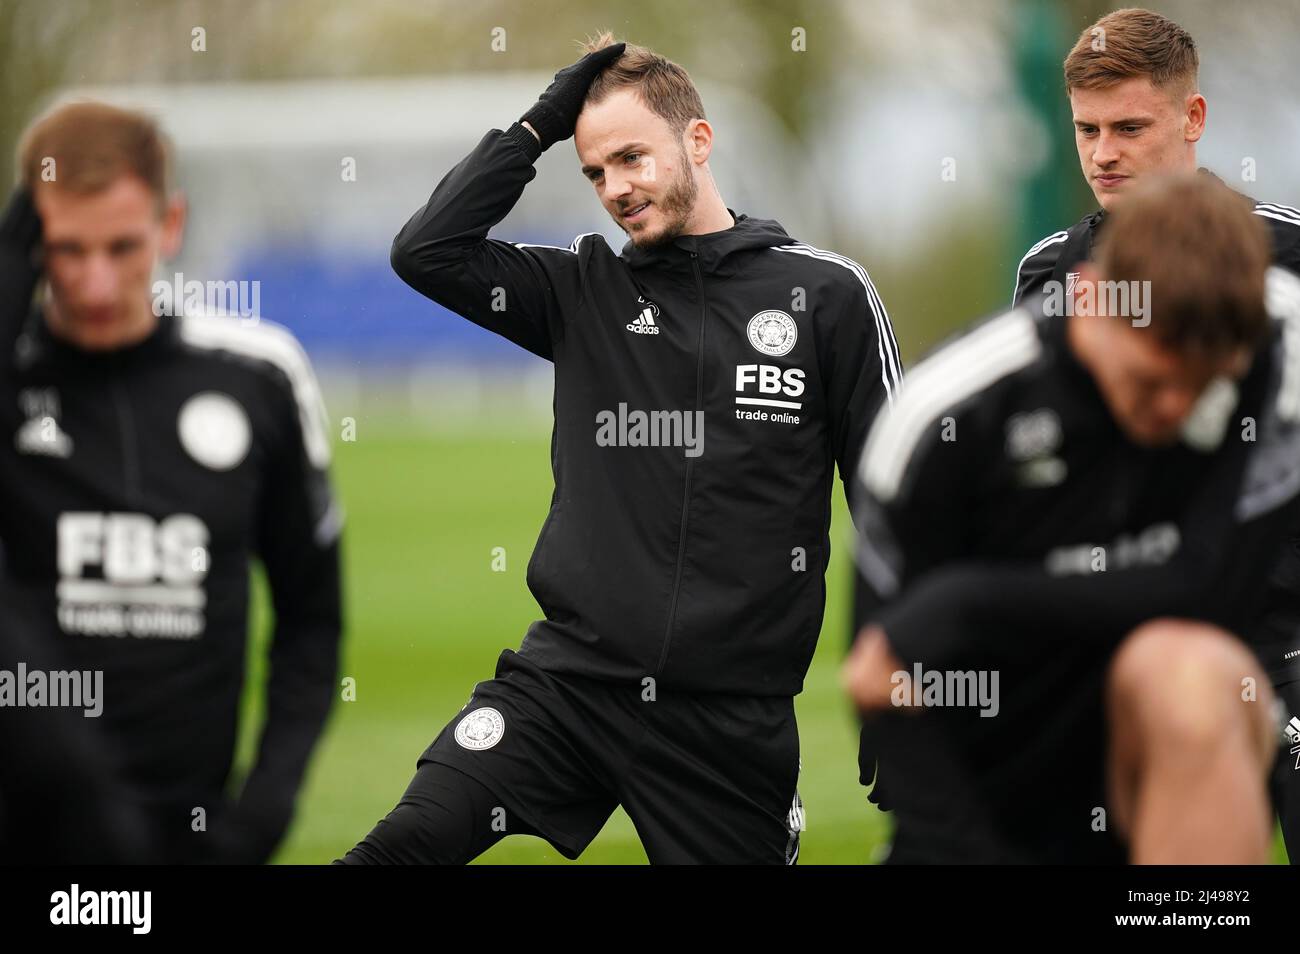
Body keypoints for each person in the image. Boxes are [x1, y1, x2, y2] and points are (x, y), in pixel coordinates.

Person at [341, 34, 900, 865]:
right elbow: (426, 250)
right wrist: (547, 118)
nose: (616, 190)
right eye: (596, 172)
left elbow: (895, 498)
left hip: (727, 725)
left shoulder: (824, 295)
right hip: (567, 688)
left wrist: (897, 681)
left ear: (698, 141)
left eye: (632, 157)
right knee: (408, 842)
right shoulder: (580, 289)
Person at [845, 173, 1300, 863]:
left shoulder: (1271, 363)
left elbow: (1213, 593)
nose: (1177, 410)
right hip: (988, 777)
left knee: (1196, 670)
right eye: (1152, 379)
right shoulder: (947, 413)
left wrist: (972, 601)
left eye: (1202, 385)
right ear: (1089, 296)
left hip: (1147, 761)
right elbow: (884, 678)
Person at [0, 102, 343, 863]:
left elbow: (311, 622)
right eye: (64, 249)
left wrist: (262, 813)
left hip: (193, 834)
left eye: (122, 246)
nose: (94, 282)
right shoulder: (12, 374)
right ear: (27, 244)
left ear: (170, 223)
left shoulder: (258, 372)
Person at [1009, 7, 1300, 860]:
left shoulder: (1286, 255)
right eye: (1087, 130)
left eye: (1130, 127)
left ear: (1192, 119)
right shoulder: (1049, 274)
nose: (1104, 154)